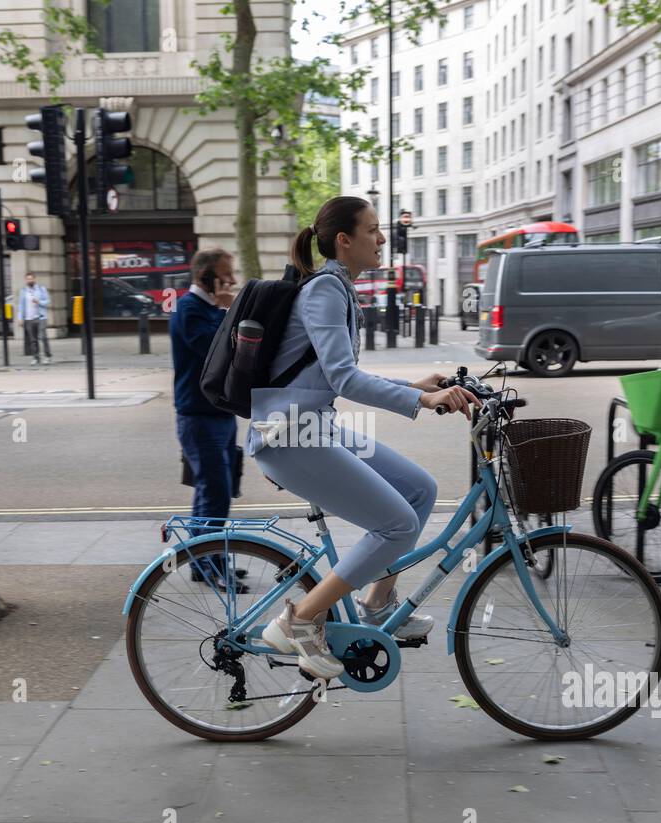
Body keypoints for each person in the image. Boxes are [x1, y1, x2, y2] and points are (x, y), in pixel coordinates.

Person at [253, 195, 481, 679]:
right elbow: (344, 379)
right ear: (344, 240)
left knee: (420, 489)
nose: (381, 239)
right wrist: (423, 401)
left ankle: (377, 604)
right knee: (396, 524)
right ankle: (301, 619)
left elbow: (338, 374)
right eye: (373, 230)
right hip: (290, 436)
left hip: (315, 426)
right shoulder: (324, 292)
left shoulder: (337, 289)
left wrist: (412, 386)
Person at [170, 248, 242, 588]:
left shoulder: (206, 308)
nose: (230, 282)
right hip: (199, 418)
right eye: (225, 276)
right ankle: (211, 565)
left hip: (219, 413)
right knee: (215, 493)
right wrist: (226, 310)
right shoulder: (189, 308)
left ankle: (205, 561)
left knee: (212, 493)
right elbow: (215, 347)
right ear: (207, 278)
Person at [15, 272, 51, 365]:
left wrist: (39, 301)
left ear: (34, 279)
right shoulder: (23, 291)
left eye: (31, 279)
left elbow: (47, 302)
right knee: (33, 340)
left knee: (43, 337)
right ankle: (35, 357)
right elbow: (21, 306)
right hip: (28, 319)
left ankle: (47, 356)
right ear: (26, 280)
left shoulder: (41, 289)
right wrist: (20, 318)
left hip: (40, 317)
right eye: (28, 279)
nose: (29, 280)